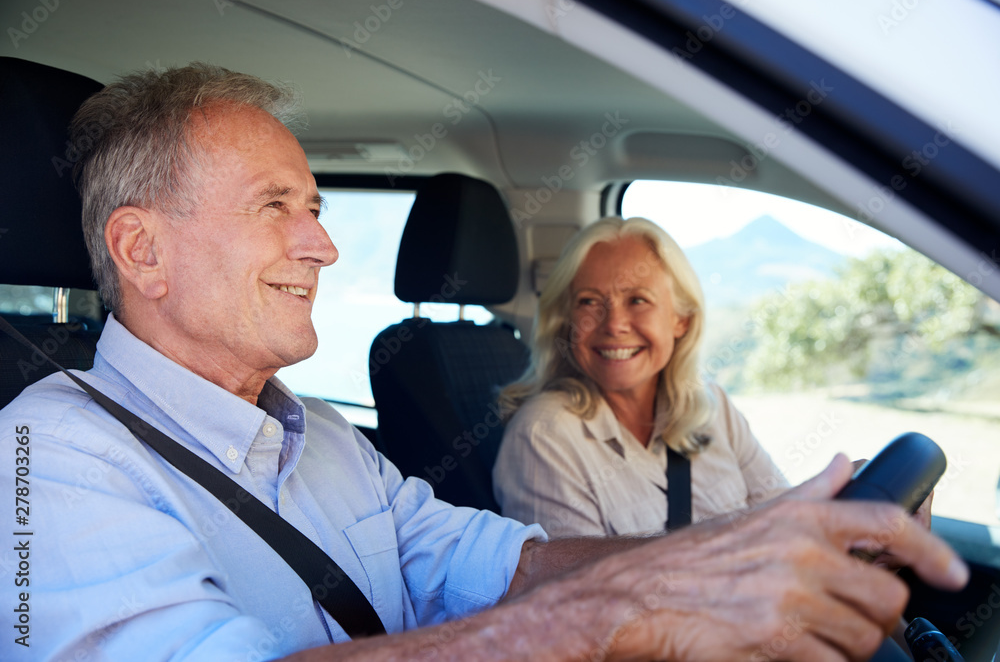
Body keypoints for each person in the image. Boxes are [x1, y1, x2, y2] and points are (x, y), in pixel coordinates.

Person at [0, 63, 967, 662]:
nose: (324, 248)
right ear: (142, 251)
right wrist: (611, 617)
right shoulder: (49, 456)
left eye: (318, 208)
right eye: (274, 208)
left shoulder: (322, 434)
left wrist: (728, 554)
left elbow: (505, 565)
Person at [494, 217, 789, 537]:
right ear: (567, 322)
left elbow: (788, 524)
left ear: (681, 321)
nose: (614, 324)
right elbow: (580, 584)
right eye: (589, 302)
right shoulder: (544, 434)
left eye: (638, 300)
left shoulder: (712, 406)